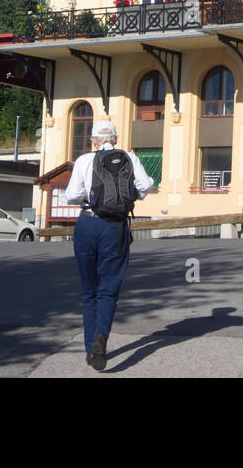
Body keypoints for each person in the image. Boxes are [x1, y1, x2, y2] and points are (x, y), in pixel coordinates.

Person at [64, 119, 153, 371]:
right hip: (115, 228)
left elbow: (71, 196)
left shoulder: (83, 161)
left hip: (87, 225)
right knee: (108, 288)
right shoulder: (128, 158)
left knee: (88, 289)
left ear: (93, 140)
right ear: (115, 138)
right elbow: (146, 186)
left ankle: (90, 348)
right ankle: (101, 337)